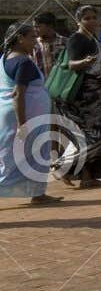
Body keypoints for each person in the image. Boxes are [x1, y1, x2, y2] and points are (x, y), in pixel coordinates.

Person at [0, 22, 60, 206]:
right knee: (28, 154)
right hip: (26, 116)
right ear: (20, 38)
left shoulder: (5, 58)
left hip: (10, 114)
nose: (36, 41)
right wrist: (23, 123)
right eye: (32, 37)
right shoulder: (23, 62)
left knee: (14, 154)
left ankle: (38, 193)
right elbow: (18, 93)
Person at [59, 4, 101, 189]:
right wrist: (84, 62)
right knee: (89, 135)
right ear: (78, 20)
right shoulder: (77, 39)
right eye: (87, 18)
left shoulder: (93, 39)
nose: (91, 21)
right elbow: (70, 64)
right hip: (83, 98)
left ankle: (87, 175)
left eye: (93, 17)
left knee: (96, 134)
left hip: (96, 95)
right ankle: (73, 171)